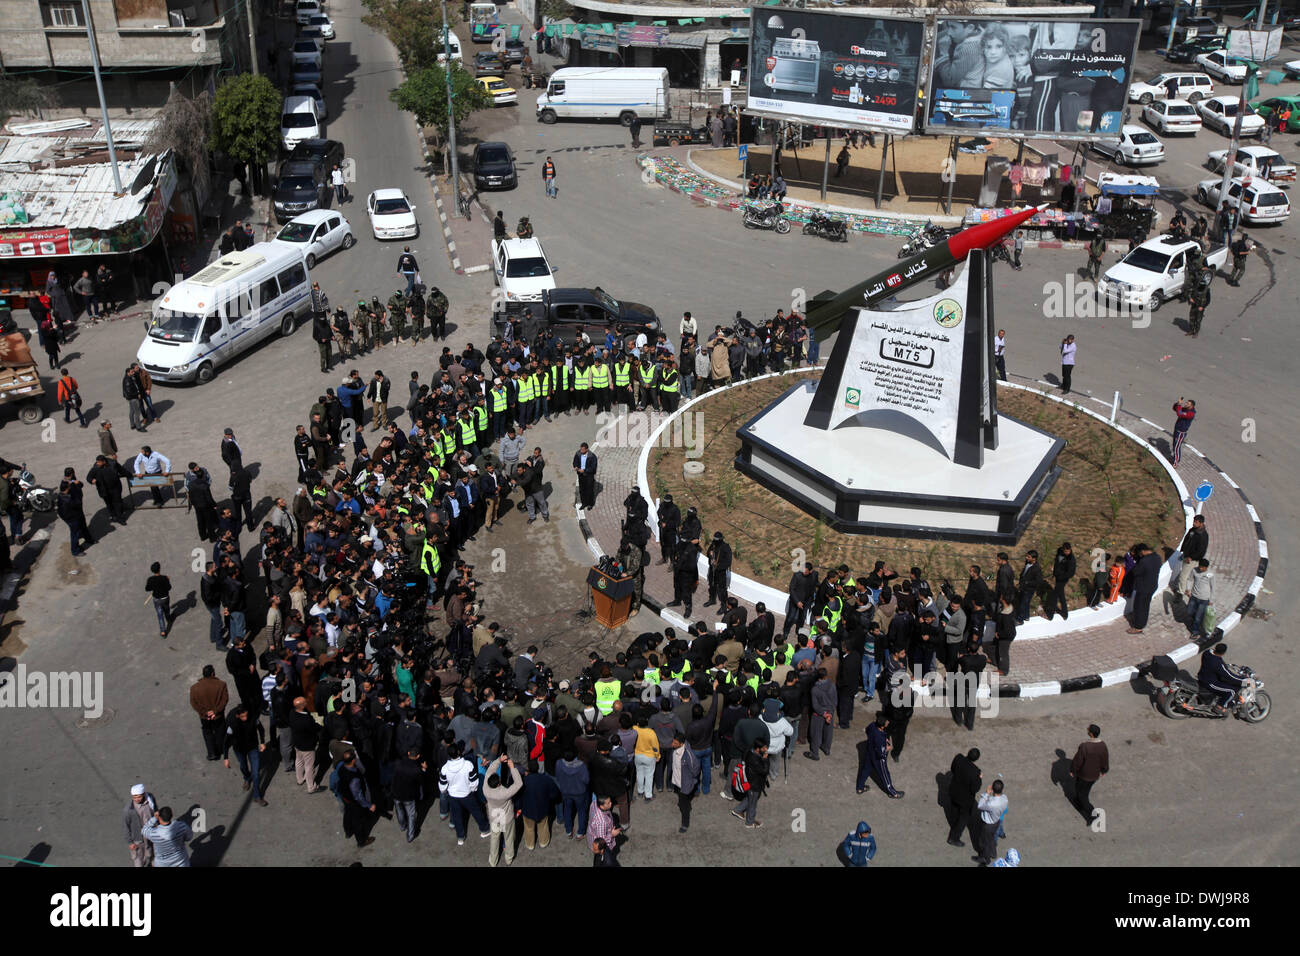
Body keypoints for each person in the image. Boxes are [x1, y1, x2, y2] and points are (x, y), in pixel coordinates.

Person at [223, 704, 269, 806]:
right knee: (243, 766)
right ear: (238, 716)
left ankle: (257, 796)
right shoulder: (232, 723)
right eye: (243, 716)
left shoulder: (253, 718)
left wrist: (262, 742)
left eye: (246, 715)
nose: (246, 718)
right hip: (239, 749)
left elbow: (260, 729)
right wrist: (226, 757)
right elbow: (226, 741)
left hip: (252, 748)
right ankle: (247, 778)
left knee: (256, 773)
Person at [1069, 724, 1109, 824]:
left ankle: (1093, 815)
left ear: (1090, 734)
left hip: (1084, 775)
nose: (1087, 729)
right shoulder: (1103, 745)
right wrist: (1104, 770)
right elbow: (1105, 759)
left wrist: (1072, 770)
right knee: (1084, 791)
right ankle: (1079, 802)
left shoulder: (1085, 746)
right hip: (1095, 775)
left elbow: (1077, 761)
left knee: (1081, 794)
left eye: (1088, 729)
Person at [190, 664, 229, 760]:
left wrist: (205, 713)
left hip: (205, 717)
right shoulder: (221, 684)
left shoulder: (195, 688)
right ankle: (221, 750)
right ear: (213, 673)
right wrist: (215, 711)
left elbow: (194, 703)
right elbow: (224, 700)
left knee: (207, 732)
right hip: (218, 715)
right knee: (220, 730)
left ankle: (212, 753)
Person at [947, 748, 981, 846]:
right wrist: (979, 778)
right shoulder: (975, 772)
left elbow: (953, 769)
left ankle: (953, 823)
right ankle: (953, 838)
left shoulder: (958, 758)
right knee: (963, 819)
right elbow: (975, 788)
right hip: (965, 800)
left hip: (954, 791)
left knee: (954, 809)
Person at [56, 467, 95, 556]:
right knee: (75, 533)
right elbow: (74, 505)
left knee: (83, 525)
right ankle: (75, 550)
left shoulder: (69, 484)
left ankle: (88, 539)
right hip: (72, 516)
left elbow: (80, 485)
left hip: (77, 512)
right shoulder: (66, 499)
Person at [1197, 642, 1246, 711]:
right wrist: (1242, 680)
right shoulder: (1217, 663)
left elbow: (1221, 666)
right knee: (1231, 691)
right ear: (1223, 653)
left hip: (1202, 676)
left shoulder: (1207, 653)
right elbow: (1229, 676)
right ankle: (1219, 707)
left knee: (1225, 683)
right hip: (1210, 683)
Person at [732, 739, 769, 828]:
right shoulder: (755, 760)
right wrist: (765, 760)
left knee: (750, 798)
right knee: (753, 803)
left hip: (750, 782)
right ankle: (750, 822)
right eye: (763, 748)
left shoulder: (749, 752)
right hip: (754, 785)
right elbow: (764, 771)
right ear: (757, 749)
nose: (766, 749)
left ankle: (738, 810)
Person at [1125, 543, 1161, 634]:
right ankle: (1142, 622)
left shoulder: (1144, 561)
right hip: (1152, 585)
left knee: (1139, 607)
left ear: (1142, 551)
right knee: (1145, 605)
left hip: (1143, 587)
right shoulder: (1157, 557)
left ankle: (1138, 627)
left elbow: (1136, 572)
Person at [974, 779, 1008, 865]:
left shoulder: (991, 803)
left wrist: (986, 794)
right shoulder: (1005, 798)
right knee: (991, 839)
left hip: (988, 825)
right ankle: (993, 853)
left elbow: (980, 805)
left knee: (984, 842)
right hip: (996, 822)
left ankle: (986, 859)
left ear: (992, 788)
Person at [124, 783, 158, 867]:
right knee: (138, 859)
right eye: (134, 797)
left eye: (139, 796)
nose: (136, 799)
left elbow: (156, 810)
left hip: (152, 834)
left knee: (154, 855)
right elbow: (125, 826)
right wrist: (130, 842)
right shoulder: (129, 810)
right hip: (138, 838)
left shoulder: (150, 799)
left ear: (143, 795)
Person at [146, 561, 172, 639]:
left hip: (156, 599)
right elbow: (169, 588)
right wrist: (168, 580)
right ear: (159, 569)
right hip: (165, 598)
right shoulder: (164, 578)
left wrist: (150, 584)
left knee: (160, 615)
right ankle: (168, 619)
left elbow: (147, 589)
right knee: (166, 610)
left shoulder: (150, 579)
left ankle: (163, 631)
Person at [573, 442, 597, 510]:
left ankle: (590, 504)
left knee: (589, 490)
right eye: (581, 449)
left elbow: (593, 468)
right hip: (581, 475)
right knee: (582, 490)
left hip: (589, 476)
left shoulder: (592, 456)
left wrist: (585, 470)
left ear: (587, 449)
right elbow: (575, 462)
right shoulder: (578, 454)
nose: (581, 451)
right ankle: (584, 503)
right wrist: (575, 467)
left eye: (583, 450)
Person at [1171, 398, 1195, 466]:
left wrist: (1179, 406)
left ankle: (1176, 462)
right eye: (1186, 402)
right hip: (1177, 429)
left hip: (1181, 432)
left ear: (1191, 406)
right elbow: (1175, 409)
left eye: (1188, 403)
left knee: (1177, 447)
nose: (1186, 404)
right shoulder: (1185, 409)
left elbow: (1179, 414)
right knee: (1174, 445)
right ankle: (1175, 458)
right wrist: (1178, 404)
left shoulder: (1191, 413)